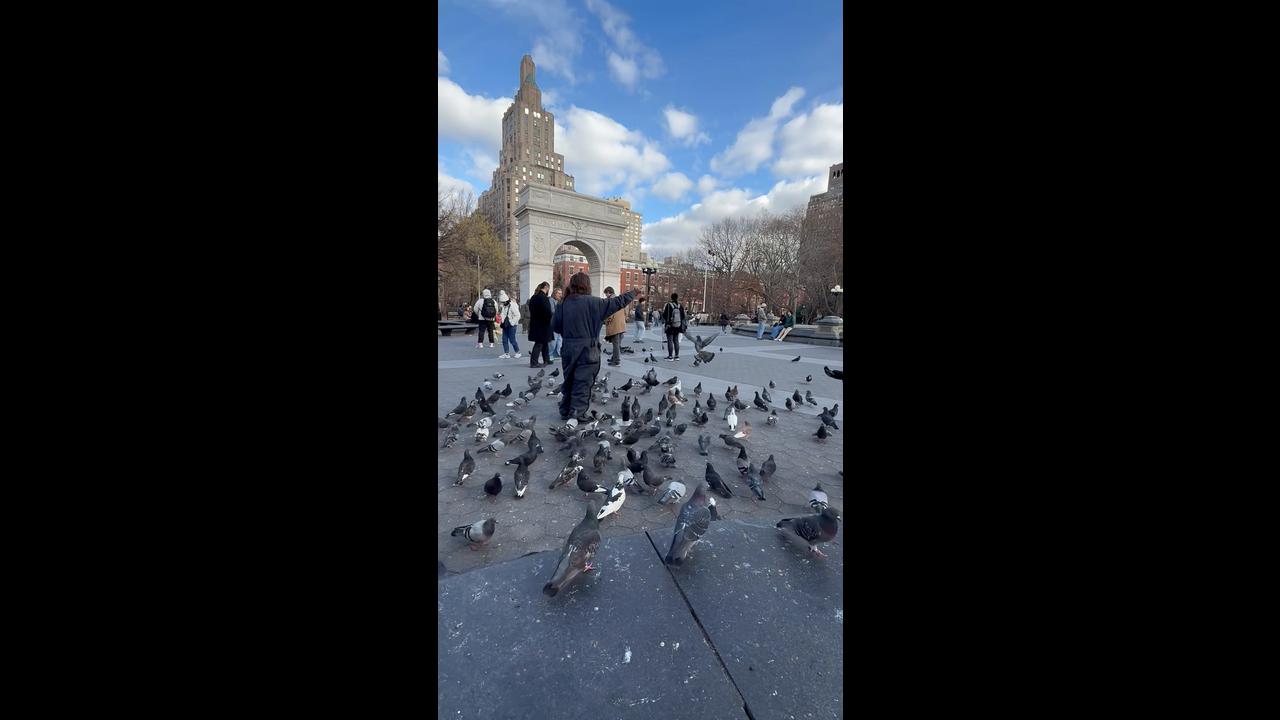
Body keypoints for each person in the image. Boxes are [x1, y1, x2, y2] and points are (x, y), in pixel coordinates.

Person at [551, 272, 638, 421]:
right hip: (588, 348)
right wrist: (632, 293)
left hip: (569, 347)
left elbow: (556, 327)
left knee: (569, 379)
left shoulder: (563, 303)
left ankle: (565, 409)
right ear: (587, 285)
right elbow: (617, 302)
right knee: (583, 382)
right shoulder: (595, 302)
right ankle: (577, 413)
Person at [527, 282, 553, 368]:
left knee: (544, 342)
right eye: (548, 288)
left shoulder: (534, 297)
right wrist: (550, 320)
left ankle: (547, 359)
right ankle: (534, 362)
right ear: (546, 287)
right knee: (539, 343)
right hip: (543, 324)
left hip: (535, 323)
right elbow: (547, 311)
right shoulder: (543, 298)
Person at [602, 287, 627, 366]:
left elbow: (610, 314)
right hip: (620, 325)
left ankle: (616, 360)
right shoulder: (618, 299)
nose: (606, 295)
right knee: (617, 343)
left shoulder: (611, 301)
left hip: (615, 326)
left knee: (615, 344)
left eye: (606, 293)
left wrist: (605, 321)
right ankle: (614, 358)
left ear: (609, 292)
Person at [660, 293, 688, 361]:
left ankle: (670, 356)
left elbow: (664, 315)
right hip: (678, 326)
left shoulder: (669, 305)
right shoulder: (680, 306)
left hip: (670, 325)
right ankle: (677, 356)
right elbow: (683, 316)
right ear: (677, 298)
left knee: (670, 340)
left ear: (671, 298)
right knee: (676, 340)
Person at [496, 290, 522, 359]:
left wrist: (512, 322)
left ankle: (518, 352)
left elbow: (518, 315)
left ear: (505, 301)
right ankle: (506, 353)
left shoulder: (512, 306)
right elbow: (503, 314)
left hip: (512, 325)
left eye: (502, 303)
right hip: (505, 325)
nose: (501, 304)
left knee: (512, 339)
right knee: (504, 339)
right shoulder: (504, 306)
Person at [549, 287, 564, 360]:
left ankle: (557, 353)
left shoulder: (560, 301)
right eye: (559, 293)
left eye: (561, 293)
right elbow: (552, 311)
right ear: (554, 294)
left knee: (559, 340)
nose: (560, 295)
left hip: (559, 324)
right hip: (553, 324)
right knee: (553, 341)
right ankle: (550, 354)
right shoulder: (551, 300)